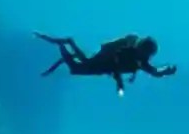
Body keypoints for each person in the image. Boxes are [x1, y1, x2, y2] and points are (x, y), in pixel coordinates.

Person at [35, 32, 177, 97]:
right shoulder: (127, 51)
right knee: (80, 65)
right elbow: (115, 66)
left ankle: (66, 47)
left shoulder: (141, 60)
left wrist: (166, 70)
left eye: (148, 55)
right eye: (147, 54)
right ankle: (66, 43)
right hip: (105, 60)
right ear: (142, 49)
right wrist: (119, 85)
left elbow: (154, 72)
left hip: (105, 67)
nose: (147, 57)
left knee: (78, 66)